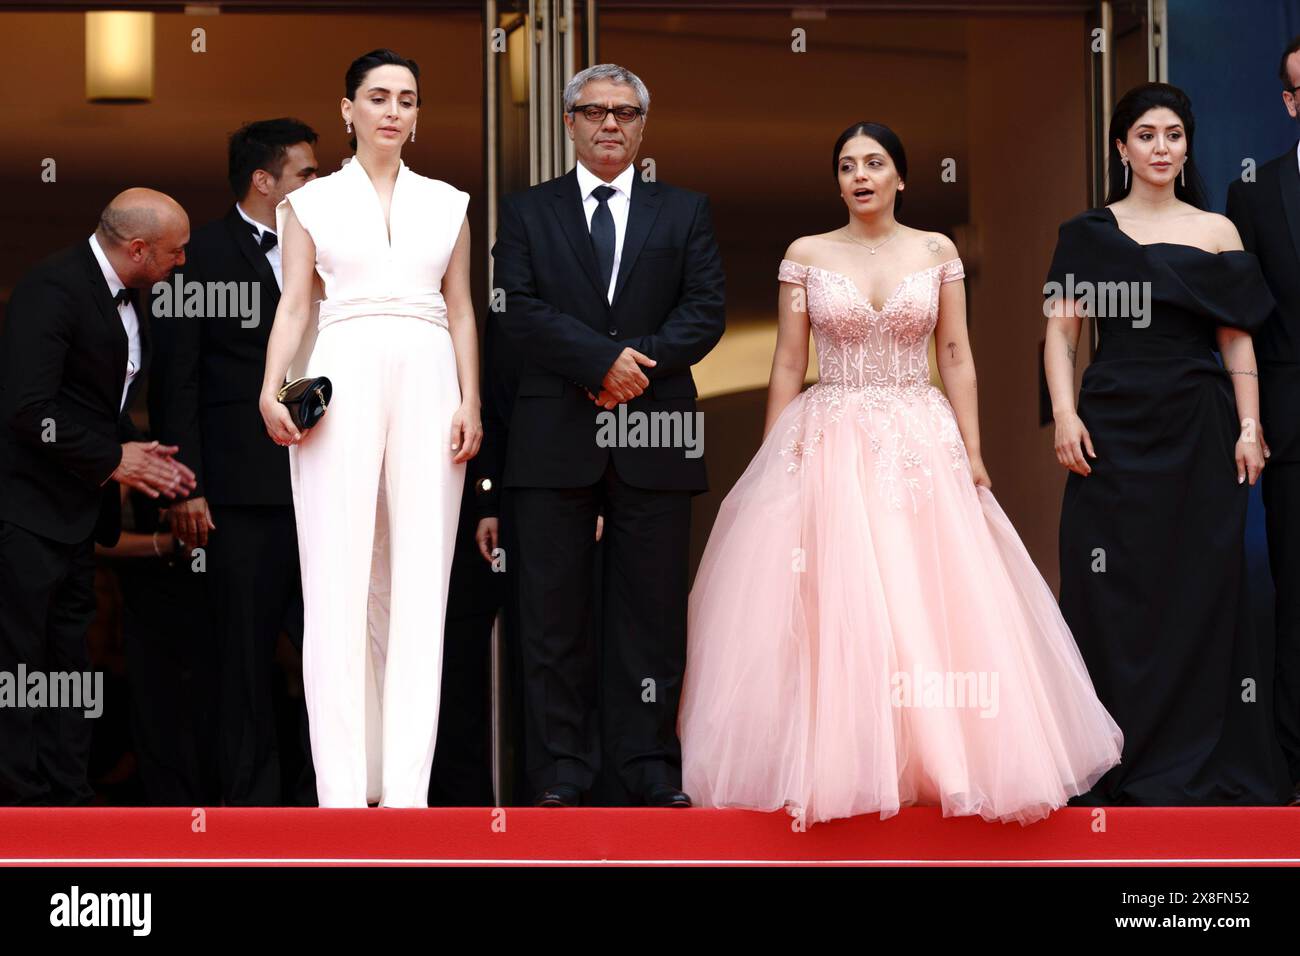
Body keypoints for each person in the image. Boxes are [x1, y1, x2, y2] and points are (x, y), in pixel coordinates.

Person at [680, 122, 1122, 826]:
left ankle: (937, 762)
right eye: (848, 165)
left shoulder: (936, 249)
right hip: (830, 433)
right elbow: (789, 364)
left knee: (928, 594)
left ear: (901, 177)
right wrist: (772, 463)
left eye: (875, 163)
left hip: (922, 435)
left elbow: (956, 354)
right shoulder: (806, 255)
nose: (861, 175)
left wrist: (973, 451)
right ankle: (846, 765)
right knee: (840, 599)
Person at [1047, 83, 1291, 805]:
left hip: (1198, 424)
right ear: (1121, 147)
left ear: (1187, 148)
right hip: (1112, 426)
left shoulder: (1218, 232)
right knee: (1108, 589)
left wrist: (1251, 425)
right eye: (1146, 135)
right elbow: (1060, 334)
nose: (1161, 148)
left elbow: (1236, 336)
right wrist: (1064, 414)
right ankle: (1109, 760)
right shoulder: (1085, 233)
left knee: (1202, 588)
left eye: (1174, 135)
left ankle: (1202, 764)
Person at [491, 63, 725, 808]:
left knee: (650, 616)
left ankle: (648, 767)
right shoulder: (526, 211)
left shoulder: (684, 210)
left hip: (656, 433)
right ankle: (560, 770)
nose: (610, 124)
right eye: (594, 111)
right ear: (569, 123)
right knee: (551, 613)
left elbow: (706, 311)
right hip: (552, 432)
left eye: (626, 112)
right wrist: (598, 363)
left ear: (643, 125)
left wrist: (632, 370)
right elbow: (516, 309)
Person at [259, 49, 481, 808]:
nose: (394, 109)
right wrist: (269, 387)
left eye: (408, 99)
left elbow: (460, 309)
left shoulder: (450, 201)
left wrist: (472, 400)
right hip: (342, 364)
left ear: (417, 116)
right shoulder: (308, 205)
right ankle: (343, 793)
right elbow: (294, 305)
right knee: (335, 577)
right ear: (347, 109)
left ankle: (408, 791)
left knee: (423, 580)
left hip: (430, 370)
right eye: (378, 96)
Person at [0, 188, 197, 805]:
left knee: (70, 666)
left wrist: (138, 448)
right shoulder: (52, 288)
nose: (183, 264)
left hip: (76, 518)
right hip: (24, 516)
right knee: (21, 665)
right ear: (137, 249)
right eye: (176, 252)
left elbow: (93, 408)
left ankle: (67, 794)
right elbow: (27, 409)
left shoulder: (122, 298)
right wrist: (115, 459)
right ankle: (19, 797)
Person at [150, 118, 320, 806]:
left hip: (325, 488)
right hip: (239, 495)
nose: (320, 181)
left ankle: (333, 807)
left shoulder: (334, 249)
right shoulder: (203, 253)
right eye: (307, 171)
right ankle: (251, 811)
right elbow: (175, 379)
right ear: (263, 179)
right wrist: (183, 487)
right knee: (242, 661)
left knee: (335, 657)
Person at [1225, 38, 1300, 805]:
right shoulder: (1254, 196)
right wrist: (1250, 420)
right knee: (1295, 604)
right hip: (1293, 429)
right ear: (1289, 101)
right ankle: (1295, 773)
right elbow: (1239, 323)